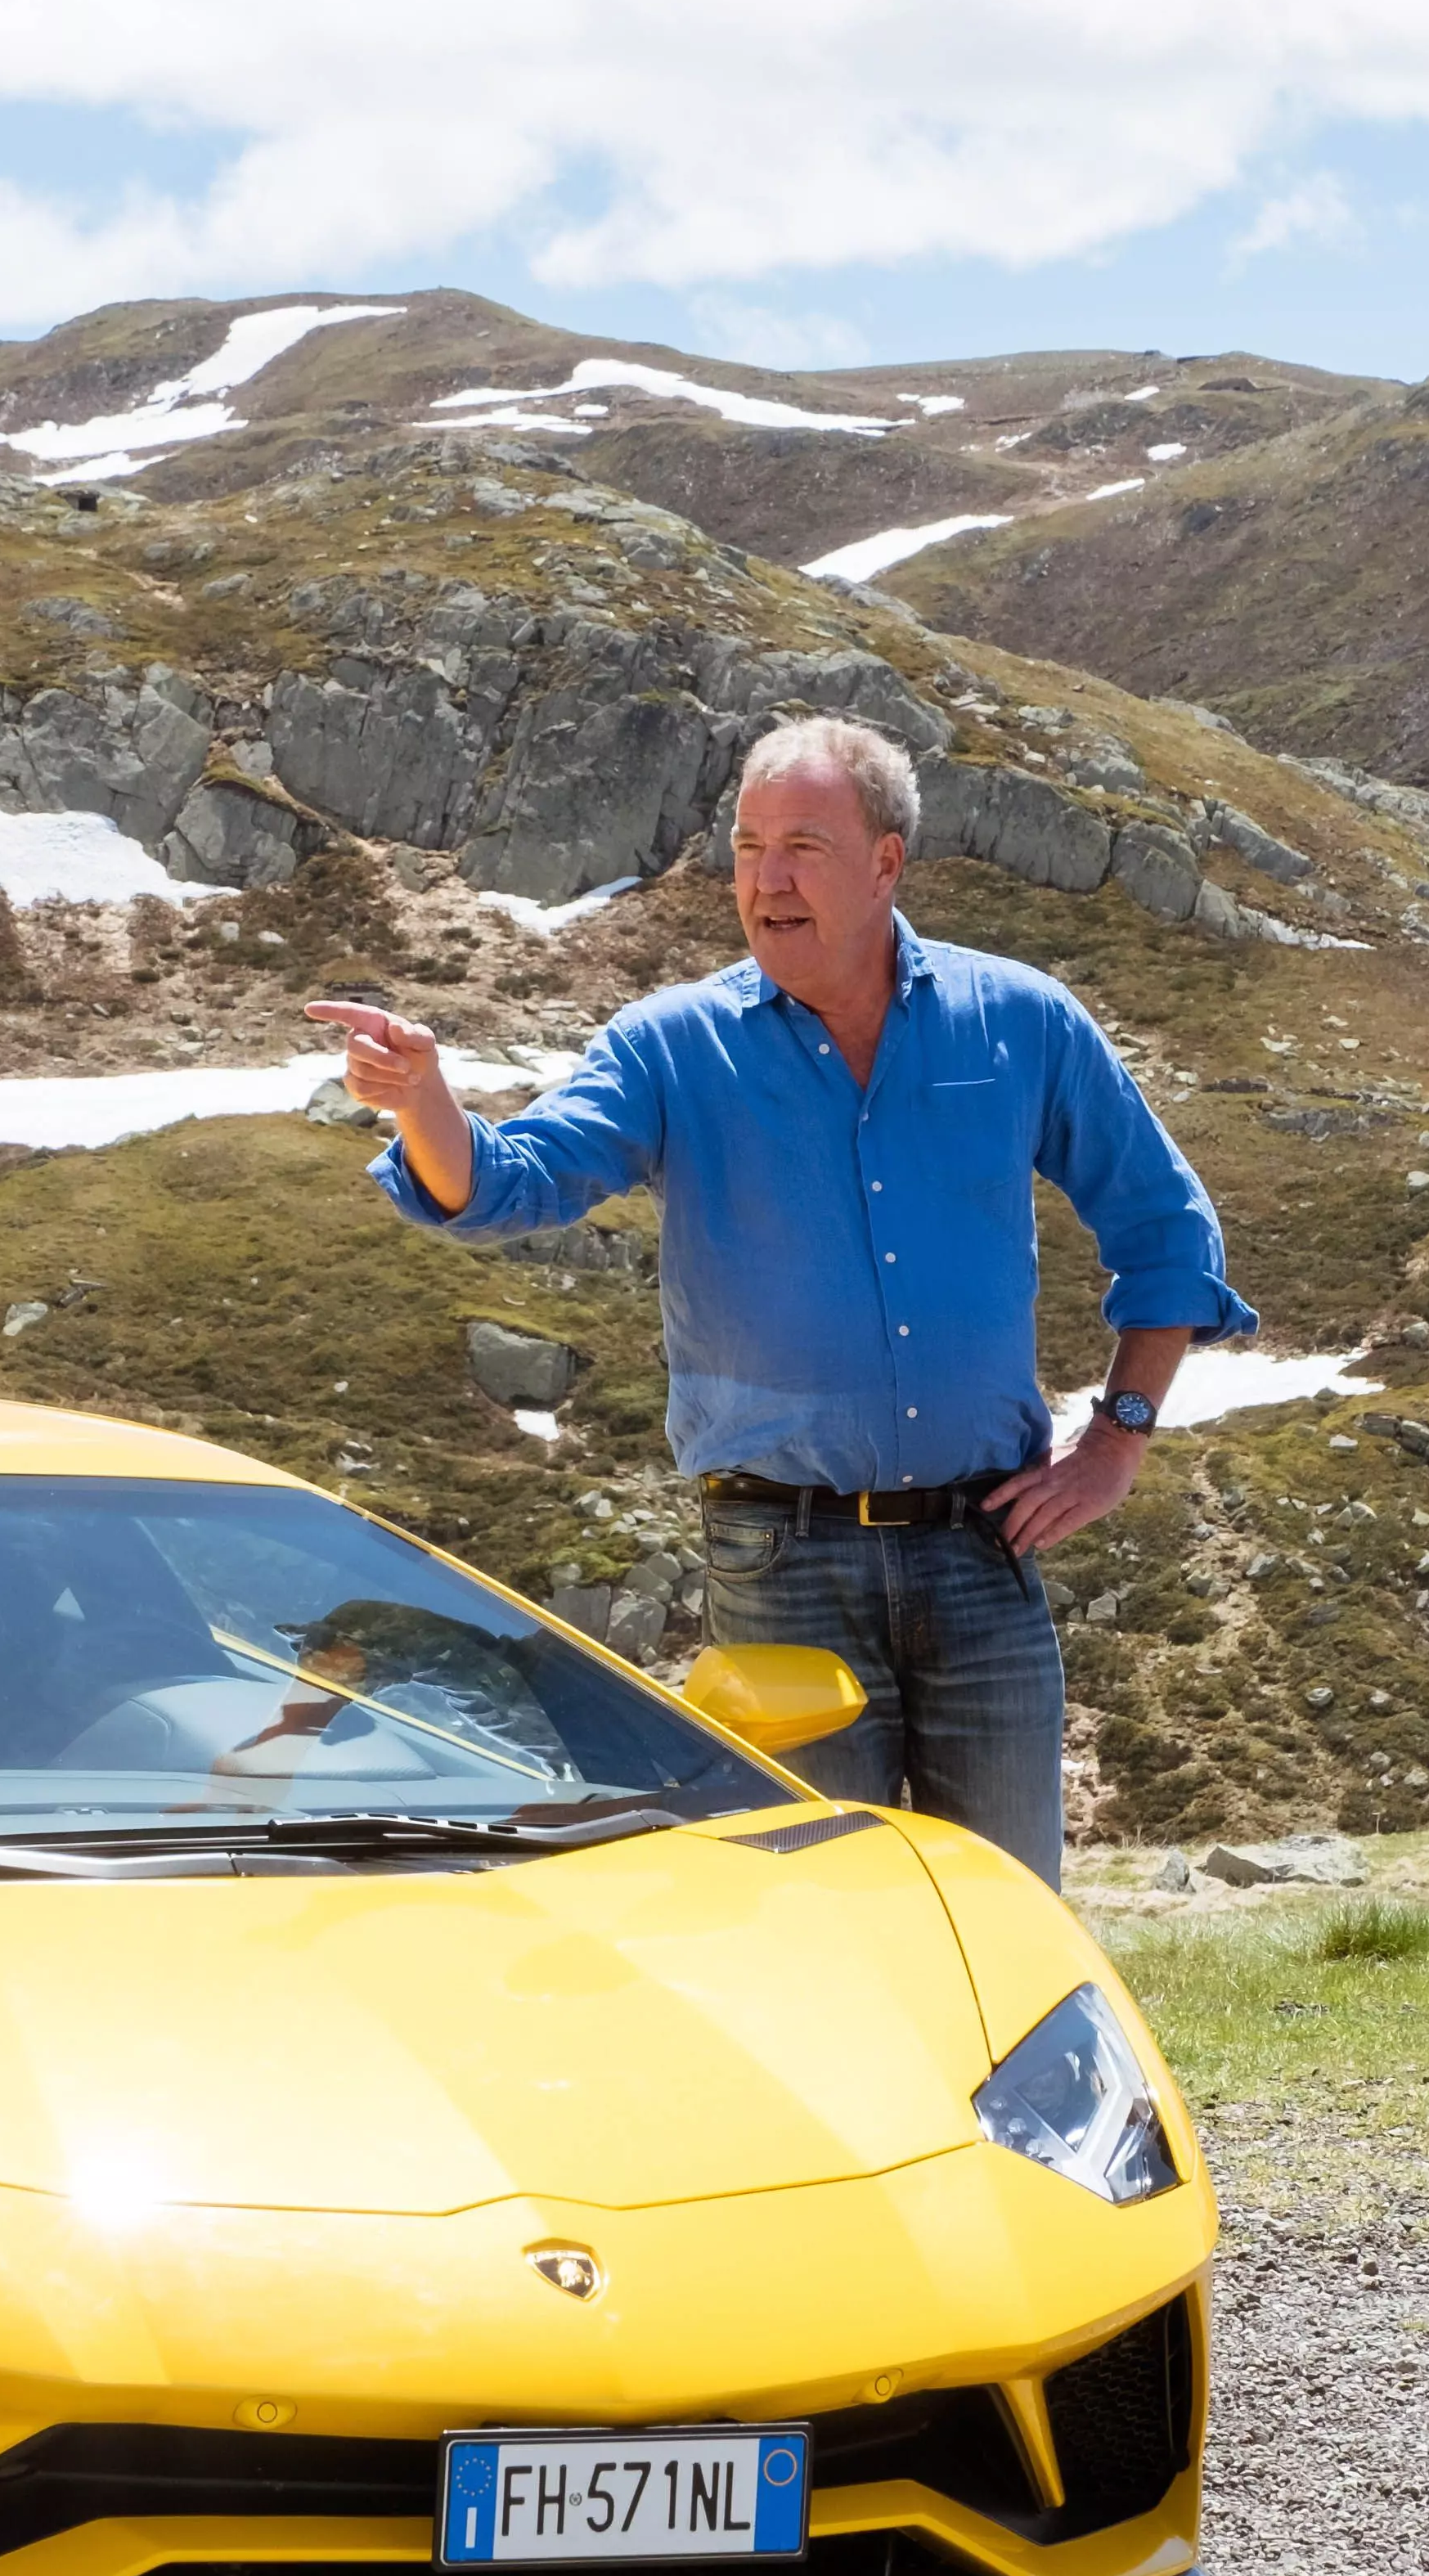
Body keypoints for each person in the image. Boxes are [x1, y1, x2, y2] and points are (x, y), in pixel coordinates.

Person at [308, 715, 1250, 1882]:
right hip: (780, 1565)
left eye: (803, 845)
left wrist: (1120, 1437)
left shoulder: (1020, 1022)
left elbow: (1166, 1227)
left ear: (887, 864)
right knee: (820, 1917)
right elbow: (510, 1184)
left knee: (1006, 1919)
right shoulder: (671, 1047)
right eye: (749, 848)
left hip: (982, 1553)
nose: (768, 879)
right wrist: (422, 1102)